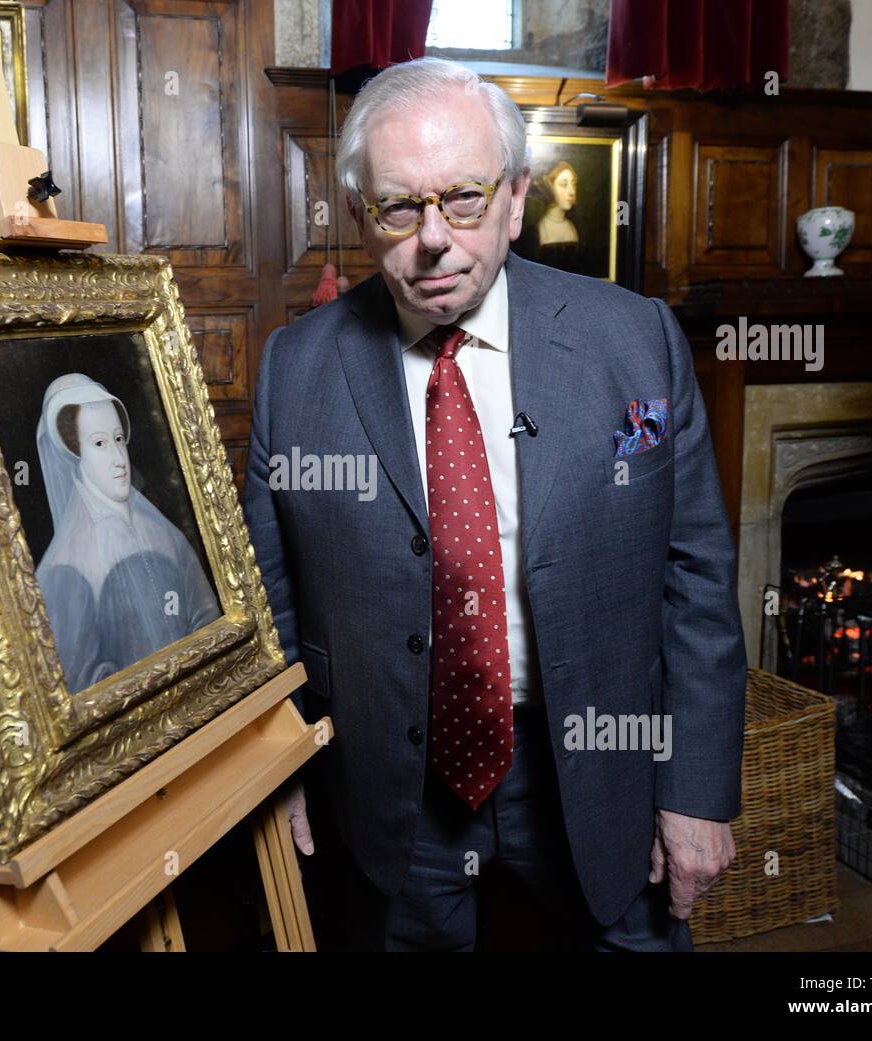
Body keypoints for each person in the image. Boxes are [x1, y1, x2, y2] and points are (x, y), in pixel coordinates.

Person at [241, 57, 745, 951]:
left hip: (598, 771)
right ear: (362, 215)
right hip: (395, 789)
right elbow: (269, 599)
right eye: (400, 206)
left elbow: (696, 578)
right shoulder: (296, 368)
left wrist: (697, 790)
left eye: (465, 199)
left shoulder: (634, 341)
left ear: (515, 199)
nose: (434, 238)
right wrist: (275, 763)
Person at [34, 373, 221, 693]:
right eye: (99, 443)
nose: (119, 459)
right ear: (74, 452)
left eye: (118, 439)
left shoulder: (163, 531)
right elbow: (85, 686)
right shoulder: (64, 568)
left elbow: (208, 618)